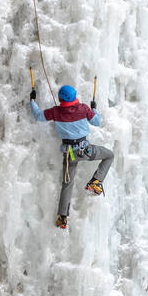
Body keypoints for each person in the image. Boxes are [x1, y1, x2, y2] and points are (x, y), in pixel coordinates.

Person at [30, 84, 114, 231]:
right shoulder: (83, 108)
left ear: (61, 98)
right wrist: (94, 108)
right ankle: (95, 182)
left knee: (67, 185)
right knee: (109, 155)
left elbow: (38, 115)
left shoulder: (55, 111)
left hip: (70, 155)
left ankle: (62, 217)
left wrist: (32, 101)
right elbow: (97, 121)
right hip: (86, 151)